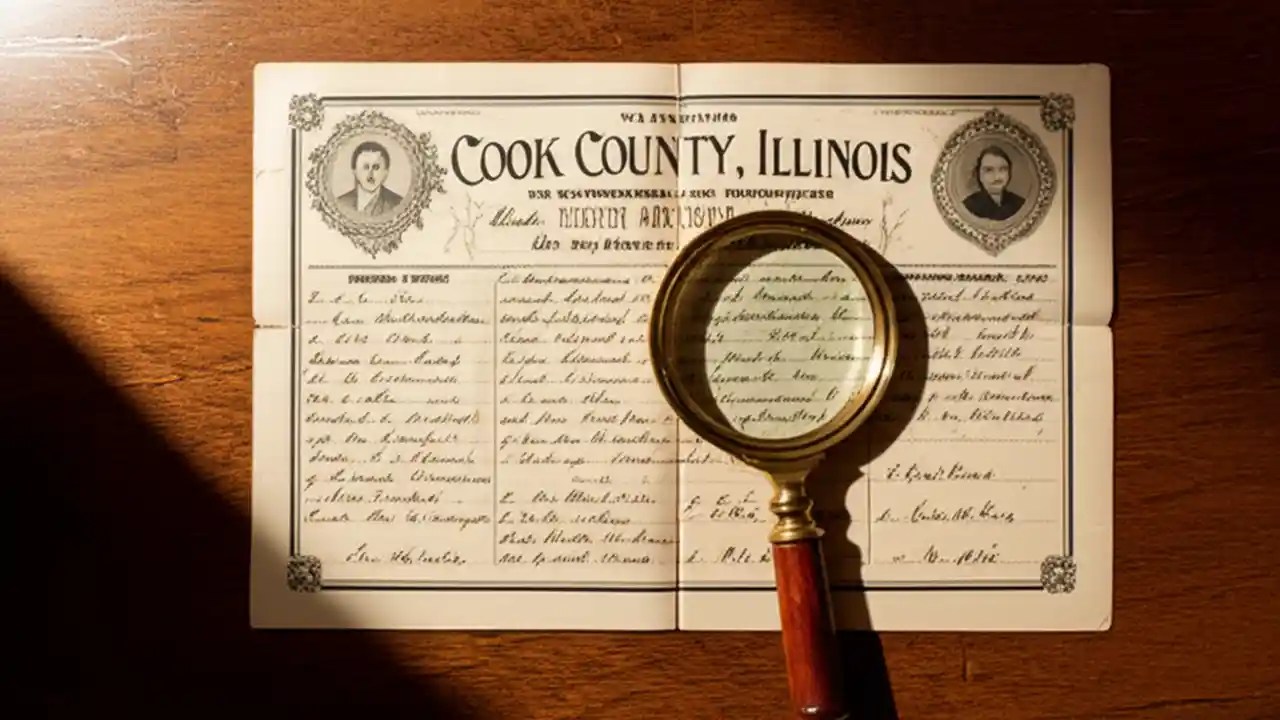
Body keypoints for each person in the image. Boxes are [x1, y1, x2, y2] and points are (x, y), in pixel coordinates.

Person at [336, 140, 403, 217]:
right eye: (365, 167)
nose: (370, 174)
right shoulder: (341, 203)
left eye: (376, 167)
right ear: (354, 171)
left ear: (385, 172)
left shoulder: (398, 204)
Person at [962, 145, 1025, 221]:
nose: (997, 177)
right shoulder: (968, 207)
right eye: (989, 170)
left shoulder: (1020, 204)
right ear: (978, 174)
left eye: (1003, 169)